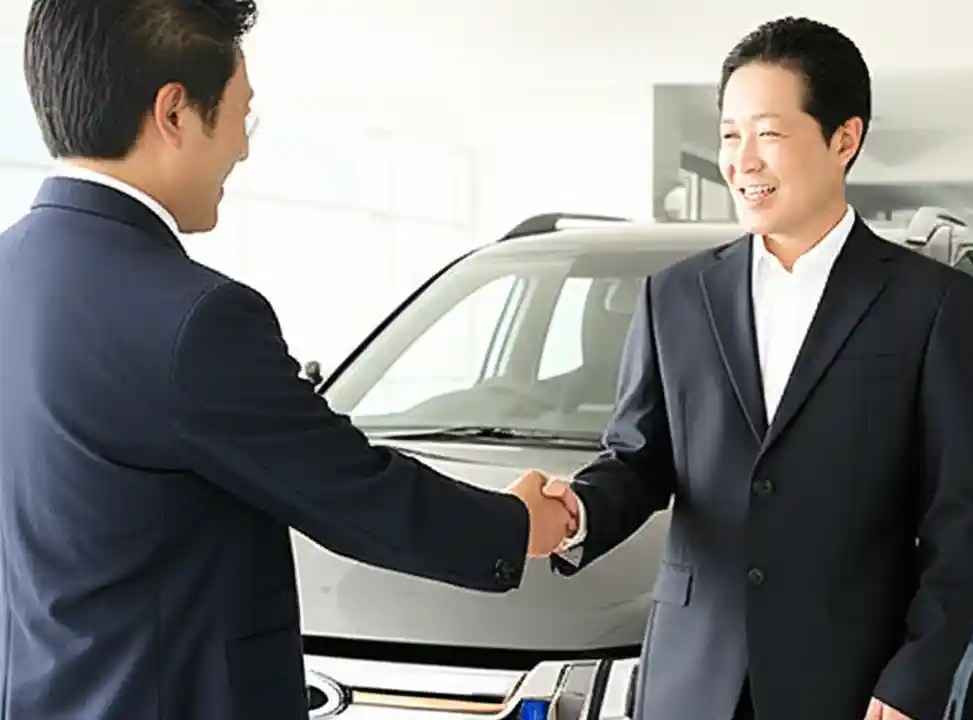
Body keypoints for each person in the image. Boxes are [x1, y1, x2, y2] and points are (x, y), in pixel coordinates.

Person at [0, 2, 572, 718]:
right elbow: (354, 492)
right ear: (174, 112)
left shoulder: (11, 273)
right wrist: (516, 525)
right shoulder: (194, 319)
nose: (242, 147)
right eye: (243, 113)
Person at [515, 16, 973, 720]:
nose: (742, 160)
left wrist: (912, 680)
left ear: (845, 139)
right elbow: (639, 460)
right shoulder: (675, 296)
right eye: (730, 135)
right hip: (692, 675)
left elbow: (963, 518)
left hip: (850, 680)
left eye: (769, 134)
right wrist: (579, 511)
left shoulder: (929, 303)